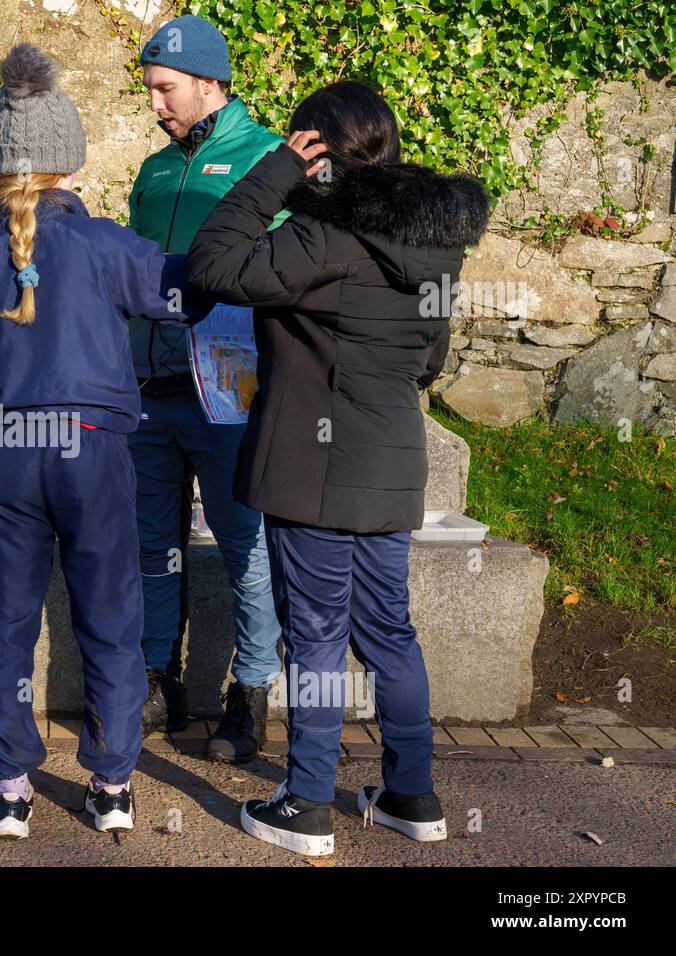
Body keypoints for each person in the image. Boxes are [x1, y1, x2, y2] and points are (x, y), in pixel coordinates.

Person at [185, 81, 490, 855]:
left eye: (297, 144)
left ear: (314, 151)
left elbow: (214, 264)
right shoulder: (434, 247)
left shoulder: (321, 241)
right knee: (390, 630)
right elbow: (429, 358)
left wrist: (273, 175)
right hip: (391, 463)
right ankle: (411, 796)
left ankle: (309, 804)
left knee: (316, 633)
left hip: (311, 469)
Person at [0, 44, 207, 840]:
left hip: (9, 455)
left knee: (6, 621)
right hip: (94, 451)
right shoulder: (108, 245)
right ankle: (113, 785)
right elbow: (184, 293)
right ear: (70, 163)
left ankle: (11, 790)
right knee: (111, 618)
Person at [126, 14, 285, 762]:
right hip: (149, 388)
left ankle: (249, 696)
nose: (154, 103)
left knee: (244, 544)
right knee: (152, 543)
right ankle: (161, 681)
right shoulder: (154, 172)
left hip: (231, 393)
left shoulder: (267, 160)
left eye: (164, 89)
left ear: (208, 81)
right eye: (150, 89)